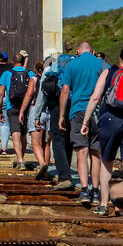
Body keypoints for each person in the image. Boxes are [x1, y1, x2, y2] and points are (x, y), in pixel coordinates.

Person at [84, 45, 123, 215]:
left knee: (106, 162)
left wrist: (85, 121)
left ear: (119, 58)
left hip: (110, 120)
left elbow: (95, 97)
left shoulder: (109, 72)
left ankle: (104, 204)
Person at [58, 42, 108, 206]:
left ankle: (84, 191)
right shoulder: (102, 64)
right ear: (93, 51)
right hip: (98, 112)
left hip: (78, 111)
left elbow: (65, 91)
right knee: (96, 154)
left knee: (81, 152)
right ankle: (96, 191)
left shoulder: (71, 65)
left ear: (78, 51)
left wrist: (61, 115)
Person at [42, 52, 75, 188]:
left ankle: (64, 177)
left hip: (57, 106)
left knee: (57, 140)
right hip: (74, 106)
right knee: (68, 140)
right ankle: (67, 172)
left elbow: (43, 93)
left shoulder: (53, 69)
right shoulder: (74, 68)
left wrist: (38, 114)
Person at [0, 54, 37, 168]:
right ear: (24, 61)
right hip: (25, 108)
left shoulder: (7, 73)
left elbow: (0, 93)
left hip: (12, 106)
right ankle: (22, 158)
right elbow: (35, 88)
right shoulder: (30, 73)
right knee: (23, 134)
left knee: (15, 133)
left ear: (12, 61)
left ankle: (20, 160)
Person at [23, 51, 50, 177]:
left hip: (37, 110)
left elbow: (29, 95)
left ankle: (42, 164)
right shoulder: (51, 78)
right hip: (49, 112)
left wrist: (22, 111)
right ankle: (46, 167)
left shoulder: (34, 79)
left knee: (35, 142)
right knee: (46, 143)